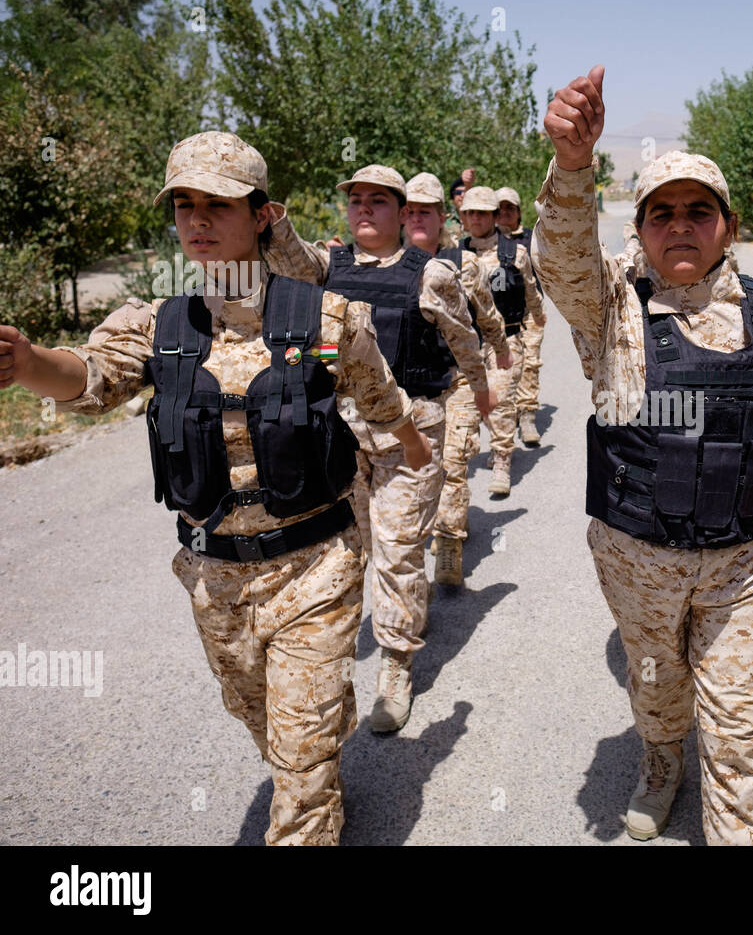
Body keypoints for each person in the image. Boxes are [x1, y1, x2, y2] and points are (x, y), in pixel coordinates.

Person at [0, 131, 431, 844]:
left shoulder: (318, 320)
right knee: (257, 715)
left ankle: (310, 776)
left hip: (316, 568)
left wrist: (411, 453)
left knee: (298, 762)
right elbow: (87, 376)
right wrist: (26, 363)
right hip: (214, 578)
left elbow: (376, 392)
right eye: (185, 206)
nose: (197, 221)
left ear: (263, 215)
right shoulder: (163, 327)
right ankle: (312, 754)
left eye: (218, 205)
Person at [535, 64, 753, 845]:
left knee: (738, 730)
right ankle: (662, 761)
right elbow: (558, 259)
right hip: (637, 559)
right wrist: (572, 165)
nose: (681, 226)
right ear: (641, 228)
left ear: (727, 226)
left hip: (744, 566)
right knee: (658, 693)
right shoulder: (611, 309)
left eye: (700, 211)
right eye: (662, 213)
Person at [261, 164, 493, 733]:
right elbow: (285, 256)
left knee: (397, 550)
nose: (364, 210)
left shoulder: (431, 274)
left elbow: (464, 338)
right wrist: (267, 214)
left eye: (378, 202)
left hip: (410, 432)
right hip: (340, 433)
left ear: (400, 210)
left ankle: (395, 663)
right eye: (355, 200)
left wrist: (483, 393)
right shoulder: (325, 267)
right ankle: (342, 651)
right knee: (352, 549)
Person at [407, 174, 512, 587]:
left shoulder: (463, 263)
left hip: (460, 379)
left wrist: (501, 349)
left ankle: (449, 541)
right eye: (410, 210)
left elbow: (486, 314)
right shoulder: (386, 265)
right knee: (419, 466)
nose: (416, 218)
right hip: (410, 386)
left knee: (454, 460)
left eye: (425, 211)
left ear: (440, 216)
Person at [458, 185, 546, 496]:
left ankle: (502, 460)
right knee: (468, 407)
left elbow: (531, 291)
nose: (476, 219)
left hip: (506, 342)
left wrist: (537, 318)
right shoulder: (455, 254)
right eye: (470, 213)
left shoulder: (515, 253)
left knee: (503, 402)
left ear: (495, 216)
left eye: (482, 213)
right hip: (466, 344)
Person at [496, 185, 546, 447]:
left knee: (530, 363)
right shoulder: (483, 240)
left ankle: (527, 415)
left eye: (510, 208)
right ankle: (505, 414)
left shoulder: (531, 238)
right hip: (496, 316)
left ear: (518, 213)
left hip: (529, 311)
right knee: (503, 367)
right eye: (500, 208)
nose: (505, 213)